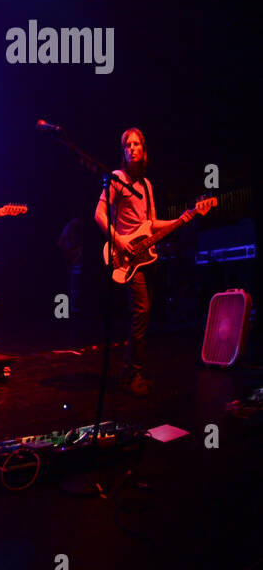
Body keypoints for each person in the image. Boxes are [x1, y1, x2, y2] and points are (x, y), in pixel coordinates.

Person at [93, 127, 171, 396]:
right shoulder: (117, 178)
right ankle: (131, 372)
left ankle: (134, 371)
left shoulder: (147, 186)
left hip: (146, 257)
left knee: (145, 315)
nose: (133, 148)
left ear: (144, 149)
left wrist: (184, 218)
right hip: (126, 257)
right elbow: (99, 214)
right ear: (123, 151)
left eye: (137, 144)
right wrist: (119, 240)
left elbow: (151, 224)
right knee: (142, 311)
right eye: (128, 145)